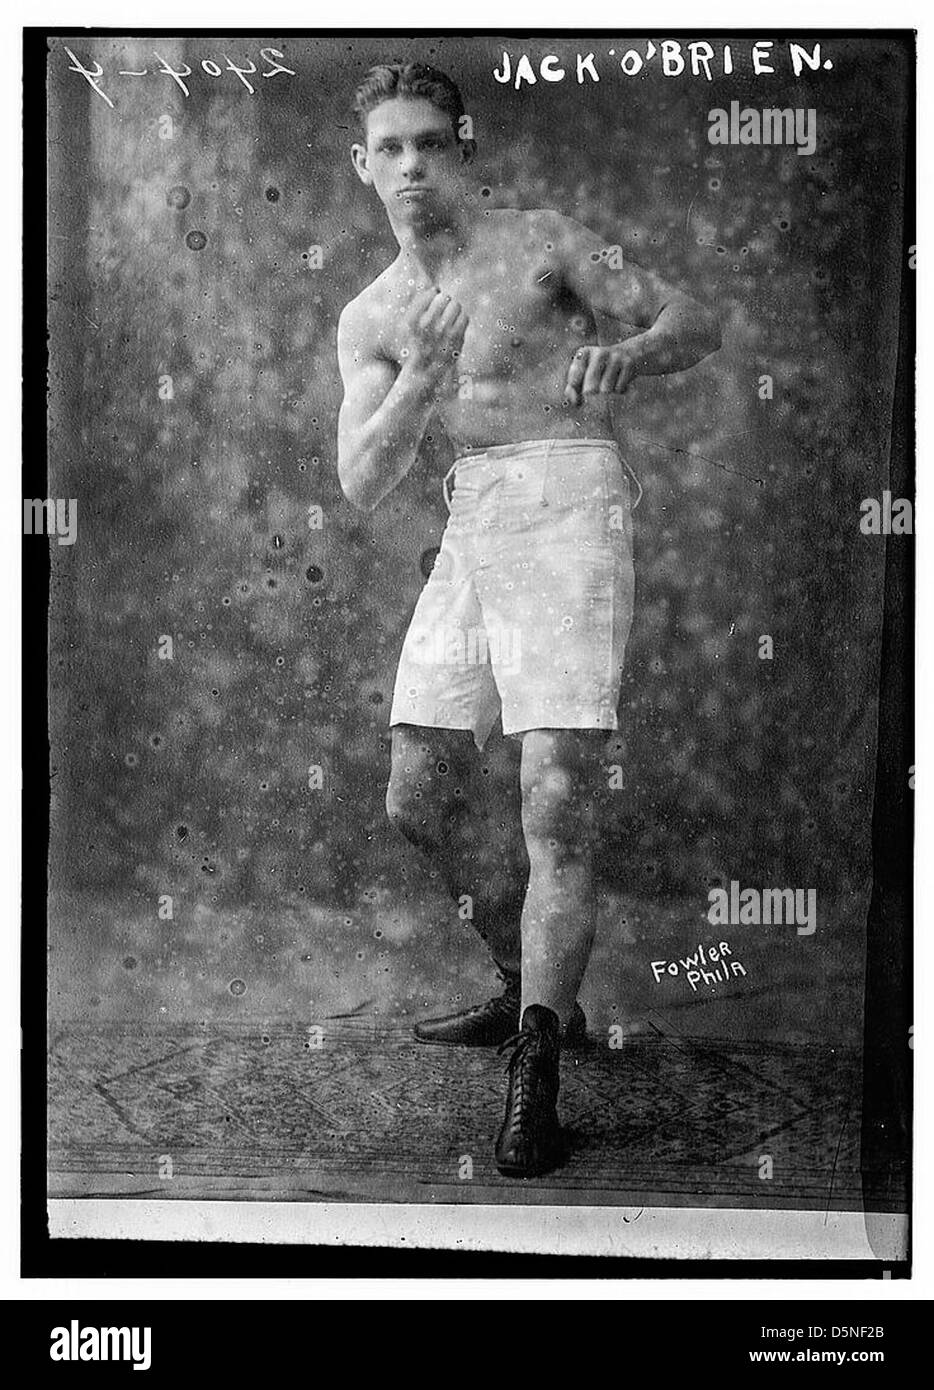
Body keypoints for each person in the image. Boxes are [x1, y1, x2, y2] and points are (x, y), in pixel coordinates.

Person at [336, 62, 721, 1177]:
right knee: (416, 793)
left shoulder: (545, 240)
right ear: (362, 168)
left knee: (552, 795)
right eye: (388, 149)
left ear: (463, 146)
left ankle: (538, 1070)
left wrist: (632, 353)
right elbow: (362, 478)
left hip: (570, 495)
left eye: (428, 143)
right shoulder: (371, 313)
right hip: (474, 511)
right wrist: (421, 374)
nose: (411, 166)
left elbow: (688, 318)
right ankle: (527, 990)